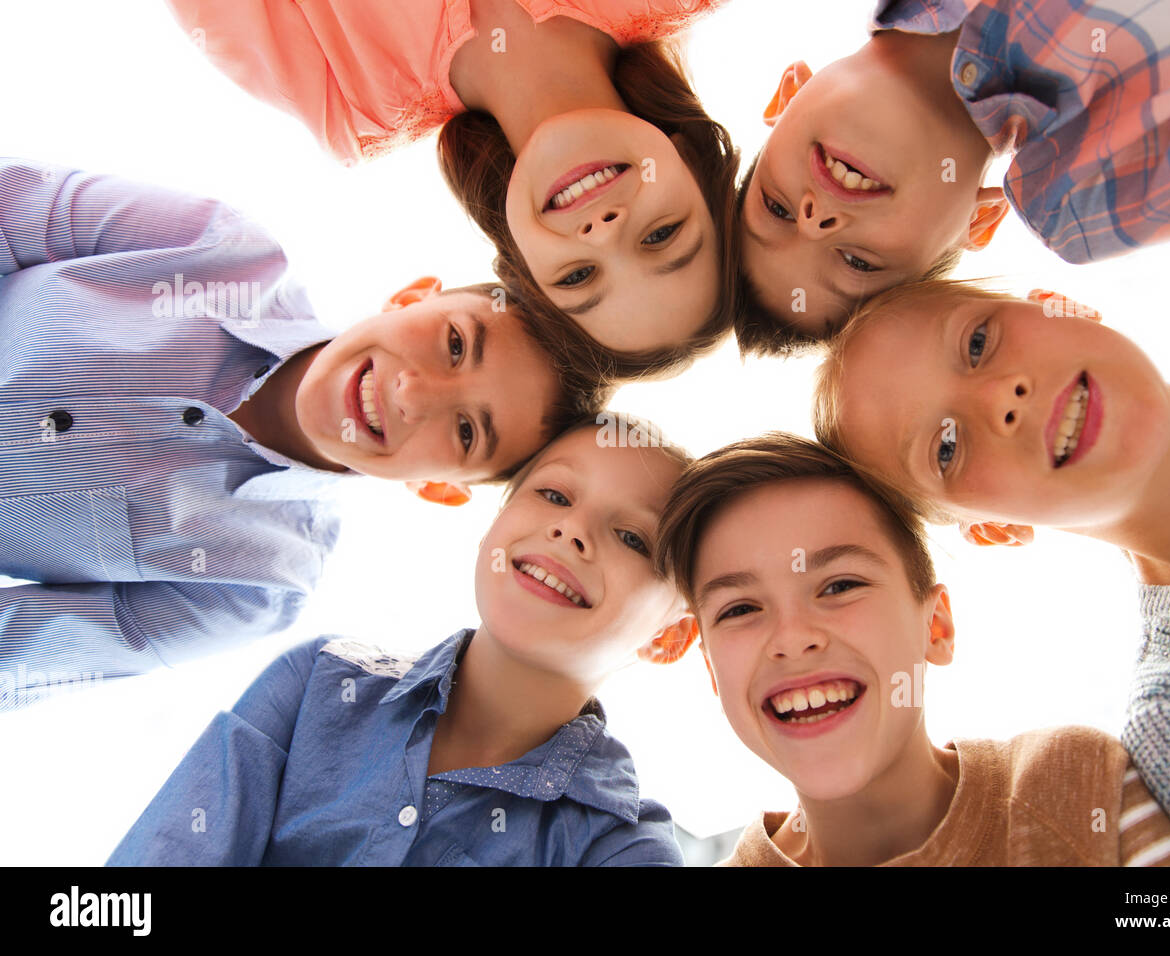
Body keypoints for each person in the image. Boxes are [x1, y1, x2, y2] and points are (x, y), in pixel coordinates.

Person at [0, 160, 605, 710]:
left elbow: (28, 652)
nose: (414, 393)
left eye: (467, 431)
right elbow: (15, 208)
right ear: (411, 296)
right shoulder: (219, 247)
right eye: (454, 343)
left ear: (437, 489)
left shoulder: (256, 588)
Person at [812, 279, 1170, 864]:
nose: (1001, 398)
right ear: (992, 528)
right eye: (946, 447)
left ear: (1058, 301)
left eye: (977, 343)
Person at [108, 413, 697, 865]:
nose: (572, 530)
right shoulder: (318, 677)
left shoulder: (619, 844)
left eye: (631, 538)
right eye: (554, 495)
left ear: (670, 636)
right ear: (495, 519)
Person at [654, 433, 1170, 866]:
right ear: (710, 668)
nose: (793, 637)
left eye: (840, 586)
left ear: (935, 626)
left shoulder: (1074, 786)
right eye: (740, 610)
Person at [165, 0, 741, 371]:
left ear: (522, 262)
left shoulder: (345, 99)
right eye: (662, 235)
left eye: (579, 275)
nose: (604, 231)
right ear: (695, 161)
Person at [736, 0, 1170, 355]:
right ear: (980, 222)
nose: (815, 222)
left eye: (777, 210)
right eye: (857, 262)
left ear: (786, 95)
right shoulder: (1090, 196)